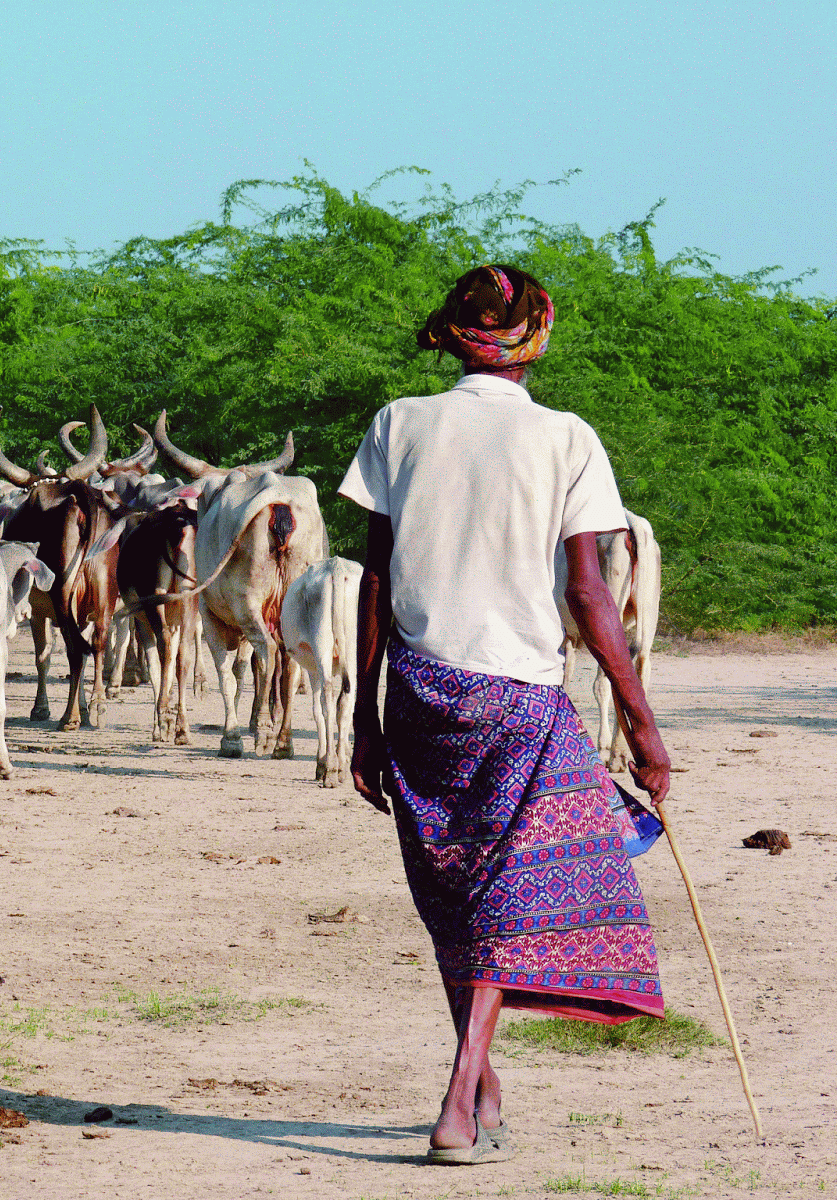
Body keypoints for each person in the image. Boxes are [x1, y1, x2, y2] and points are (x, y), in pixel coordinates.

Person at [339, 264, 672, 1166]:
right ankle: (458, 1099)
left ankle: (483, 1090)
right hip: (520, 698)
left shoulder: (399, 424)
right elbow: (589, 594)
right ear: (536, 338)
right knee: (503, 897)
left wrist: (364, 718)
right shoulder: (565, 438)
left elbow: (375, 581)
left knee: (453, 891)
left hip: (417, 691)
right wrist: (639, 717)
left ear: (454, 334)